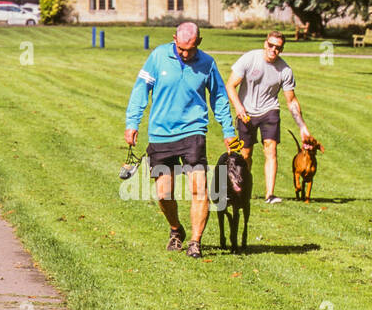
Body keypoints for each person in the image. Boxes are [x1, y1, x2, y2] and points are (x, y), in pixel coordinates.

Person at [124, 21, 237, 259]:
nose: (186, 54)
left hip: (193, 132)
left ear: (200, 42)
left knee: (200, 189)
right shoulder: (158, 57)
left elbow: (219, 97)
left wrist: (228, 130)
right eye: (182, 49)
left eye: (191, 49)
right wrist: (132, 122)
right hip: (161, 134)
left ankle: (195, 242)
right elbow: (140, 90)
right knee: (164, 194)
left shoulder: (207, 63)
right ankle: (176, 229)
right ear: (174, 38)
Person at [224, 31, 312, 204]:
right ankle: (244, 188)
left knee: (270, 149)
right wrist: (239, 107)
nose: (273, 50)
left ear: (282, 49)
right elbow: (230, 85)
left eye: (278, 47)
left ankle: (270, 194)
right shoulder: (250, 59)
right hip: (247, 112)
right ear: (265, 43)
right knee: (246, 154)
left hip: (270, 110)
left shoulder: (284, 70)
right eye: (271, 45)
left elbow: (291, 100)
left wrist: (301, 126)